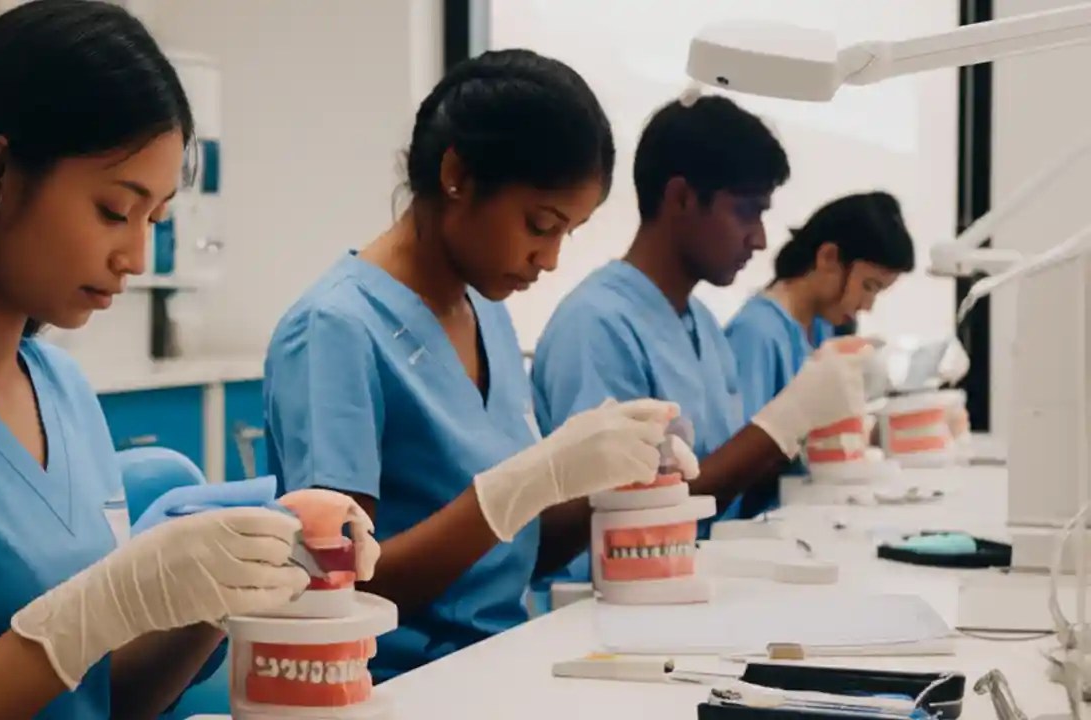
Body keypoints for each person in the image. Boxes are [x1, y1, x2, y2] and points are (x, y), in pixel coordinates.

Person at [0, 3, 309, 719]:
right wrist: (83, 621)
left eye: (154, 220)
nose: (135, 257)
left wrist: (211, 592)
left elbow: (107, 699)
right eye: (114, 210)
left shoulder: (63, 388)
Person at [263, 49, 679, 681]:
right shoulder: (336, 329)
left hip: (499, 664)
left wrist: (615, 480)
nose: (550, 259)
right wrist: (517, 490)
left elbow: (509, 557)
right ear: (456, 173)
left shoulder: (486, 314)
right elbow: (335, 592)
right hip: (394, 687)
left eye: (569, 232)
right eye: (540, 224)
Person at [531, 95, 871, 585]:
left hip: (696, 579)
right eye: (747, 212)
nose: (758, 239)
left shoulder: (705, 326)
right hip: (610, 605)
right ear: (682, 198)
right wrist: (784, 422)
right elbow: (624, 511)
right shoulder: (597, 326)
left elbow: (717, 493)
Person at [725, 191, 915, 509]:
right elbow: (737, 466)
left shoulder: (823, 328)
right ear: (828, 258)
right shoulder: (757, 334)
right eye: (868, 286)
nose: (867, 306)